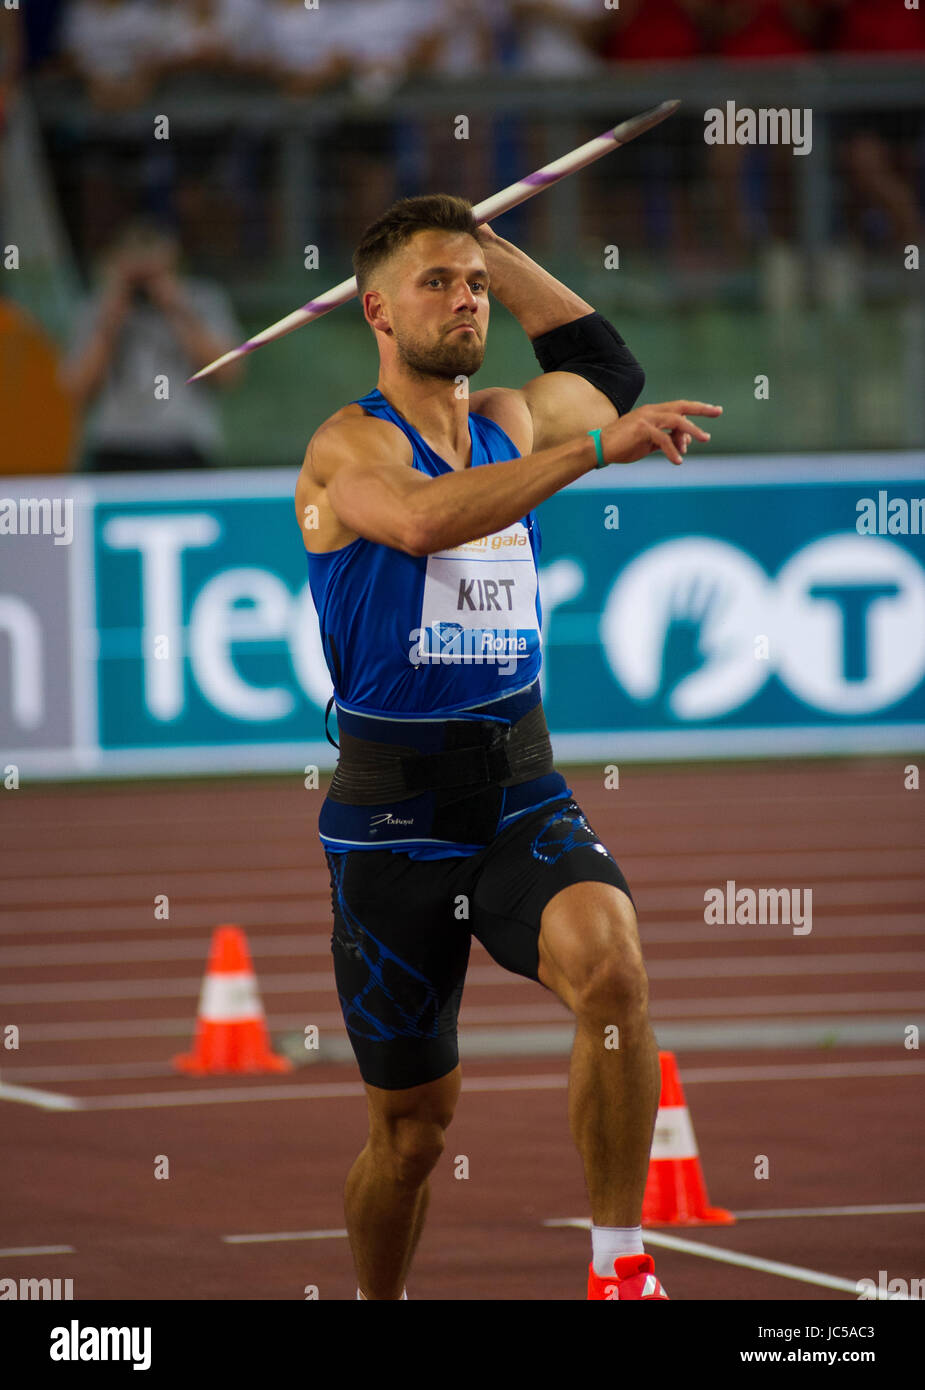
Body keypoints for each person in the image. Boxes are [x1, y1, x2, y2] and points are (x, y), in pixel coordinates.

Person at [294, 194, 721, 1301]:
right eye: (437, 283)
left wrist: (493, 245)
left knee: (612, 965)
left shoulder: (510, 417)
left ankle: (618, 1266)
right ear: (374, 310)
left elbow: (608, 372)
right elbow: (430, 521)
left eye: (474, 285)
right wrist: (589, 450)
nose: (467, 301)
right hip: (392, 819)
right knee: (412, 1135)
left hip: (521, 788)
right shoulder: (346, 446)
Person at [61, 218, 244, 471]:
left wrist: (177, 309)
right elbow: (76, 391)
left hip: (183, 444)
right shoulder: (98, 308)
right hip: (114, 446)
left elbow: (227, 375)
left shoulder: (201, 300)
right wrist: (110, 322)